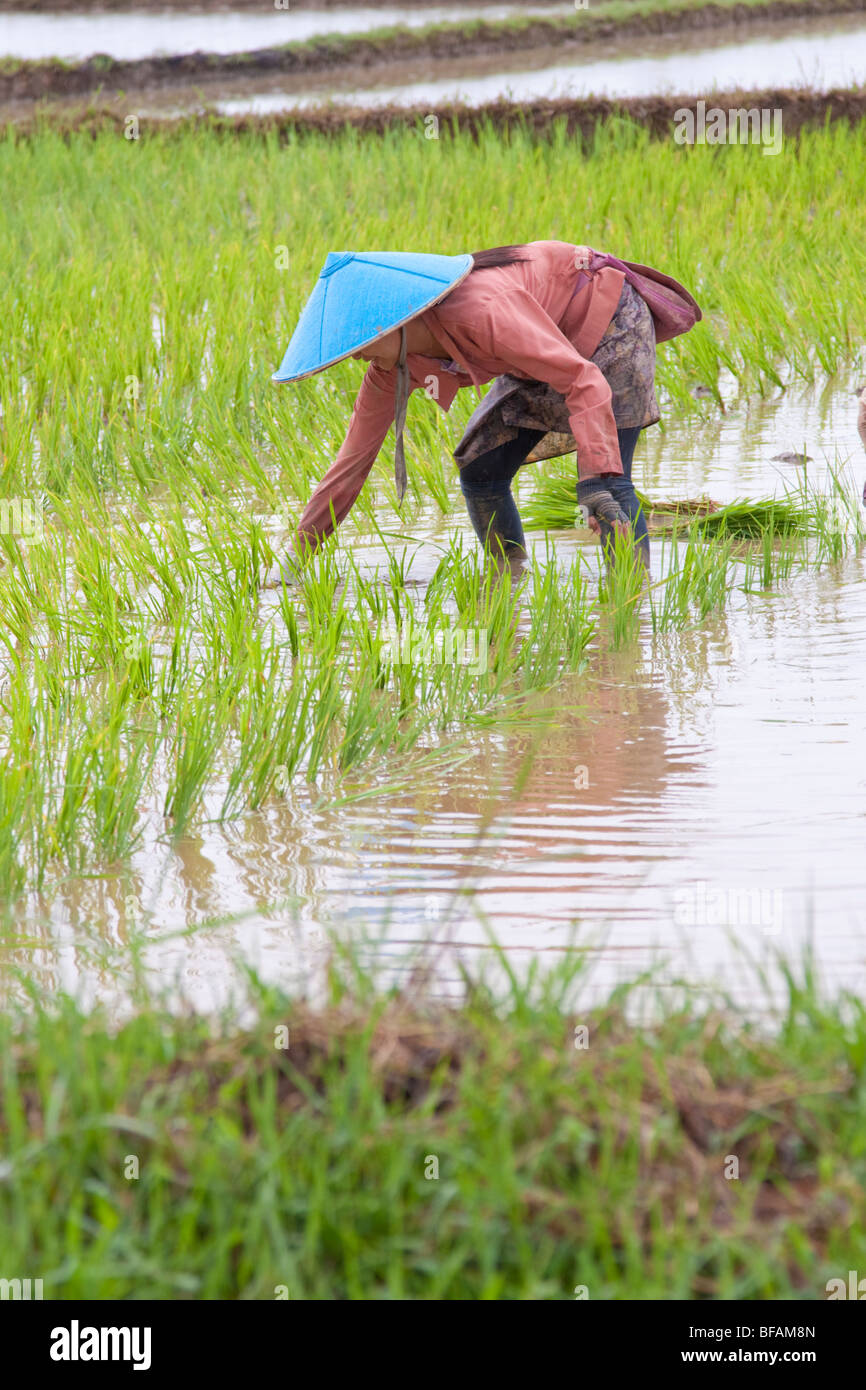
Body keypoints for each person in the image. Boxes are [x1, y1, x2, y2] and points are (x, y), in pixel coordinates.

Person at [272, 241, 701, 572]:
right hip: (540, 346)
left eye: (360, 343)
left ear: (396, 321)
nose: (357, 356)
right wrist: (296, 557)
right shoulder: (391, 365)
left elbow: (582, 379)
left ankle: (633, 607)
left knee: (609, 487)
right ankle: (507, 578)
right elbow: (353, 461)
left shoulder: (483, 313)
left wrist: (592, 479)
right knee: (481, 469)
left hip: (606, 323)